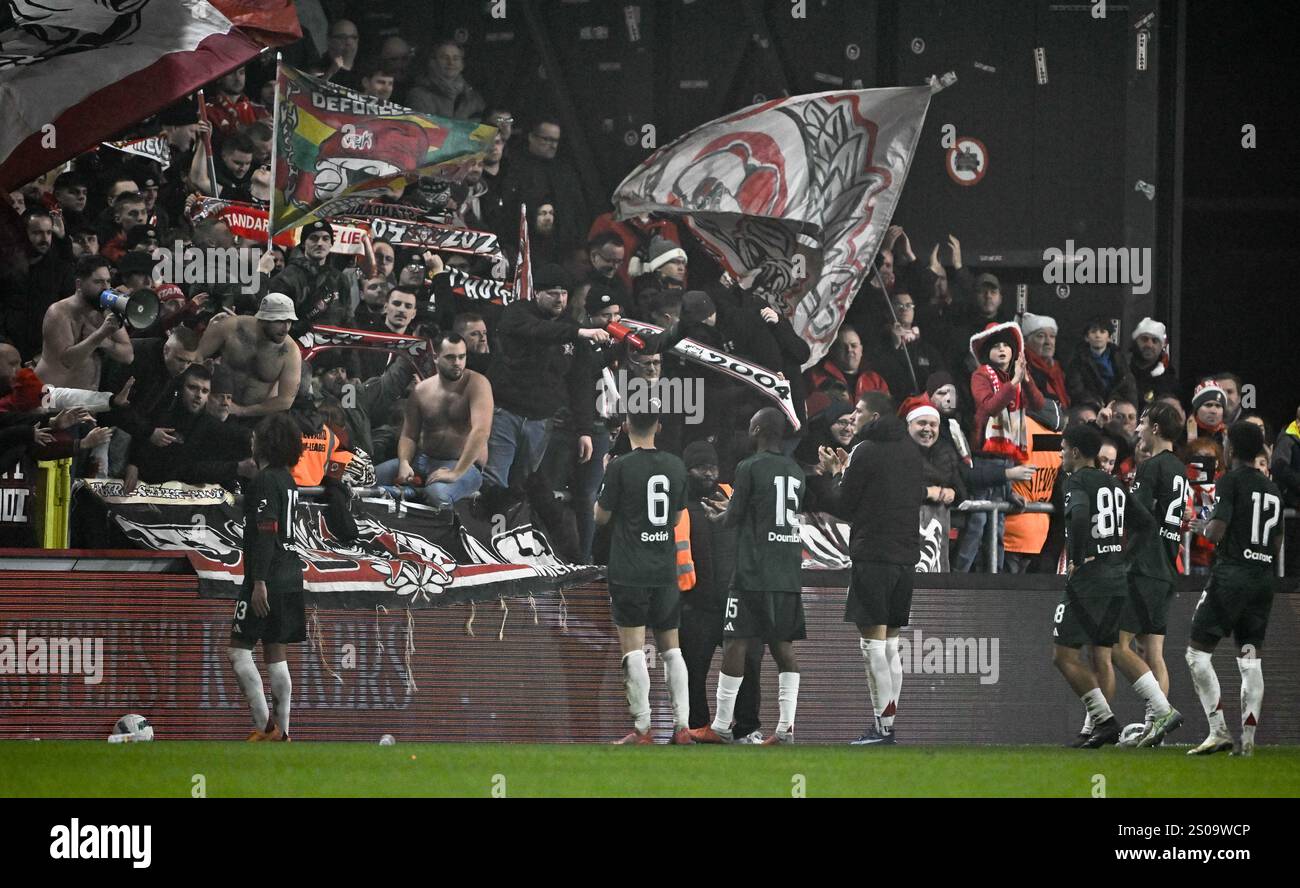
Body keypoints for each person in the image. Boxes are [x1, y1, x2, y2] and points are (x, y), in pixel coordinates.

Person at [809, 390, 922, 745]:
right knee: (891, 644)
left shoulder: (866, 450)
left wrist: (829, 475)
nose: (852, 417)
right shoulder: (911, 451)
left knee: (872, 645)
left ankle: (883, 727)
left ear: (873, 417)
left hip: (873, 554)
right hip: (905, 557)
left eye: (858, 411)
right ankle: (889, 723)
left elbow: (845, 506)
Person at [690, 409, 806, 745]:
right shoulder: (796, 470)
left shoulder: (748, 467)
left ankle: (723, 726)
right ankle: (785, 730)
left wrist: (721, 516)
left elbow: (736, 518)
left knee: (735, 641)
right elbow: (772, 512)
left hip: (753, 571)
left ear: (757, 429)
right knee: (783, 648)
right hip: (786, 573)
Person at [1052, 422, 1158, 748]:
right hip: (1116, 576)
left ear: (1074, 451)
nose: (1060, 453)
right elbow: (1147, 523)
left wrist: (1078, 558)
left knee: (1064, 655)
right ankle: (1098, 727)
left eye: (1063, 447)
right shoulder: (1113, 482)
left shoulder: (1076, 480)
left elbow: (1081, 517)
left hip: (1091, 579)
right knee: (1102, 653)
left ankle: (1106, 721)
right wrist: (1124, 557)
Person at [593, 406, 692, 745]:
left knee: (633, 650)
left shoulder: (620, 467)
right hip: (665, 571)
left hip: (630, 569)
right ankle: (682, 728)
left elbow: (601, 517)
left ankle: (643, 730)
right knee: (672, 649)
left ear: (625, 426)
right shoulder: (676, 465)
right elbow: (678, 519)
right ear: (659, 426)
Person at [1185, 421, 1283, 757]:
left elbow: (1215, 533)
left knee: (1197, 653)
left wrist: (1203, 526)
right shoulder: (1272, 489)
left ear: (1230, 448)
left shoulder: (1230, 481)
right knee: (1250, 658)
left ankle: (1218, 731)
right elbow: (1278, 539)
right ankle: (1249, 744)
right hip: (1263, 578)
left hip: (1232, 575)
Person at [1115, 402, 1189, 747]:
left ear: (1156, 428)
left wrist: (1116, 493)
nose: (1139, 428)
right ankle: (1154, 730)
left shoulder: (1151, 466)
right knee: (1151, 651)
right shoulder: (1179, 468)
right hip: (1166, 568)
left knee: (1115, 645)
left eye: (1142, 422)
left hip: (1144, 566)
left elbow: (1139, 515)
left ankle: (1160, 712)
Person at [228, 413, 305, 742]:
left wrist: (258, 581)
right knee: (276, 651)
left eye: (257, 436)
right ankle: (284, 732)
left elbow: (265, 529)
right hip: (290, 576)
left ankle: (265, 728)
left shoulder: (264, 480)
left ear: (266, 443)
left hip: (267, 576)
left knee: (239, 651)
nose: (252, 441)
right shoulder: (289, 481)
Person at [378, 333, 492, 509]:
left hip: (461, 464)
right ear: (436, 358)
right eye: (451, 357)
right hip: (421, 460)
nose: (457, 362)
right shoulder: (421, 391)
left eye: (462, 357)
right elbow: (409, 435)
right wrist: (404, 462)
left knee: (437, 495)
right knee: (369, 477)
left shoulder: (477, 384)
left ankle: (445, 535)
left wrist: (456, 473)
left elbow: (481, 431)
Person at [194, 293, 303, 421]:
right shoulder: (231, 327)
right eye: (279, 321)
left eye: (289, 321)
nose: (286, 328)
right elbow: (196, 356)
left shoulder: (290, 351)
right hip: (214, 407)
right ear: (263, 319)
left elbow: (285, 400)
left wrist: (242, 411)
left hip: (253, 418)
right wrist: (204, 393)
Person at [34, 254, 134, 391]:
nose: (106, 288)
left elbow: (128, 356)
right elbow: (67, 361)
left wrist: (105, 343)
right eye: (98, 282)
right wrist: (100, 335)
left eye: (108, 281)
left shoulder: (108, 311)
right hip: (52, 399)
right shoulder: (58, 312)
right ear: (79, 284)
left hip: (87, 400)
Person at [1065, 316, 1138, 408]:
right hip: (1089, 407)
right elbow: (1076, 390)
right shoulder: (1077, 360)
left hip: (1116, 406)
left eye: (1102, 332)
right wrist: (1097, 404)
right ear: (1087, 338)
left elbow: (1128, 386)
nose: (1098, 335)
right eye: (1093, 332)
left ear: (1109, 337)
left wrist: (1115, 403)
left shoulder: (1119, 358)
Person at [405, 38, 486, 119]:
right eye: (444, 57)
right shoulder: (419, 96)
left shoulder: (473, 97)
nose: (451, 62)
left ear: (462, 65)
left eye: (456, 58)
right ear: (433, 62)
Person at [1128, 318, 1180, 409]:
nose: (1149, 345)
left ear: (1161, 346)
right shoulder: (1121, 371)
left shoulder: (1169, 381)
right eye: (1144, 339)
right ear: (1135, 342)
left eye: (1155, 341)